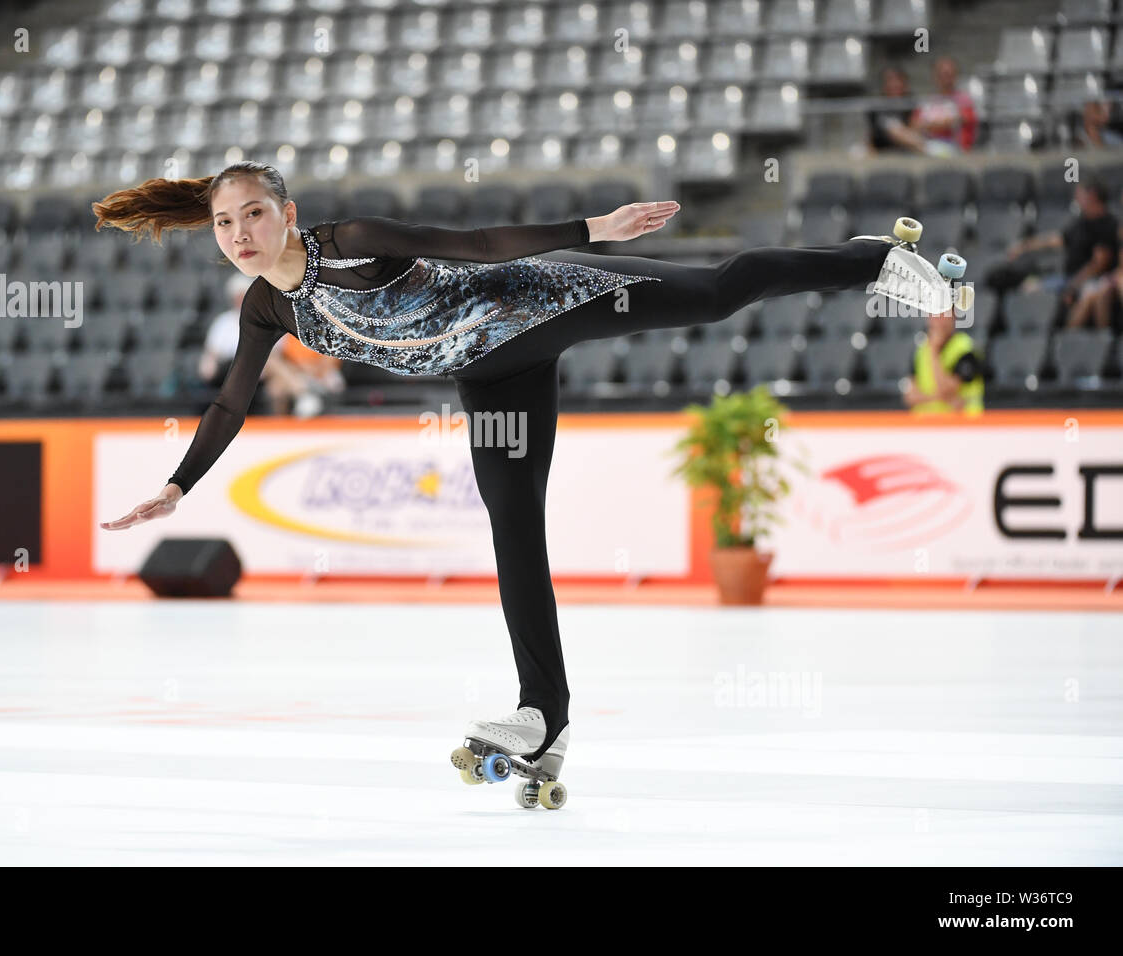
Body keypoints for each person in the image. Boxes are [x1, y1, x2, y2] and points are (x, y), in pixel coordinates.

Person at [91, 161, 900, 778]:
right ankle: (542, 716)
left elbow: (474, 247)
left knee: (720, 291)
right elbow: (232, 404)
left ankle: (875, 260)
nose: (239, 233)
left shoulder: (346, 243)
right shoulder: (265, 307)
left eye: (254, 214)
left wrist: (595, 228)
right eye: (225, 223)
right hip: (491, 375)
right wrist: (176, 486)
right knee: (514, 533)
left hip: (538, 299)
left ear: (287, 214)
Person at [200, 272, 345, 416]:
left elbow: (285, 353)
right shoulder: (223, 322)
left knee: (275, 387)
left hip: (263, 368)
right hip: (231, 368)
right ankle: (303, 393)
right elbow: (211, 353)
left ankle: (286, 421)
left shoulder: (267, 319)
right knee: (269, 366)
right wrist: (208, 364)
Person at [986, 177, 1118, 326]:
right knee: (1028, 287)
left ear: (1092, 195)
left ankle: (1067, 340)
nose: (1076, 198)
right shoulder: (1081, 222)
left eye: (1080, 194)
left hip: (1090, 280)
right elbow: (1057, 239)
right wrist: (1024, 246)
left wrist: (1073, 286)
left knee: (1087, 293)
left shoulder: (1107, 224)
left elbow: (1098, 264)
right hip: (1067, 277)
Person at [903, 308, 984, 415]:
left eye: (943, 315)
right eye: (934, 315)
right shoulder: (921, 349)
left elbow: (946, 389)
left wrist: (933, 351)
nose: (938, 321)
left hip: (962, 426)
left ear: (954, 316)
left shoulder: (966, 350)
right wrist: (939, 398)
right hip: (926, 426)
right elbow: (910, 396)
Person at [908, 55, 977, 156]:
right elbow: (914, 125)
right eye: (942, 74)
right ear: (934, 76)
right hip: (926, 147)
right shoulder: (926, 101)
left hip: (954, 150)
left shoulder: (964, 100)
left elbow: (961, 120)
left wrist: (928, 125)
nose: (946, 79)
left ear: (956, 75)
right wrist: (939, 125)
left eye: (949, 74)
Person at [867, 65, 924, 154]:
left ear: (905, 83)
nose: (894, 84)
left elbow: (916, 128)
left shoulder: (911, 103)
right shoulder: (876, 106)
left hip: (908, 150)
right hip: (883, 152)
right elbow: (872, 135)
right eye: (890, 80)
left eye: (898, 80)